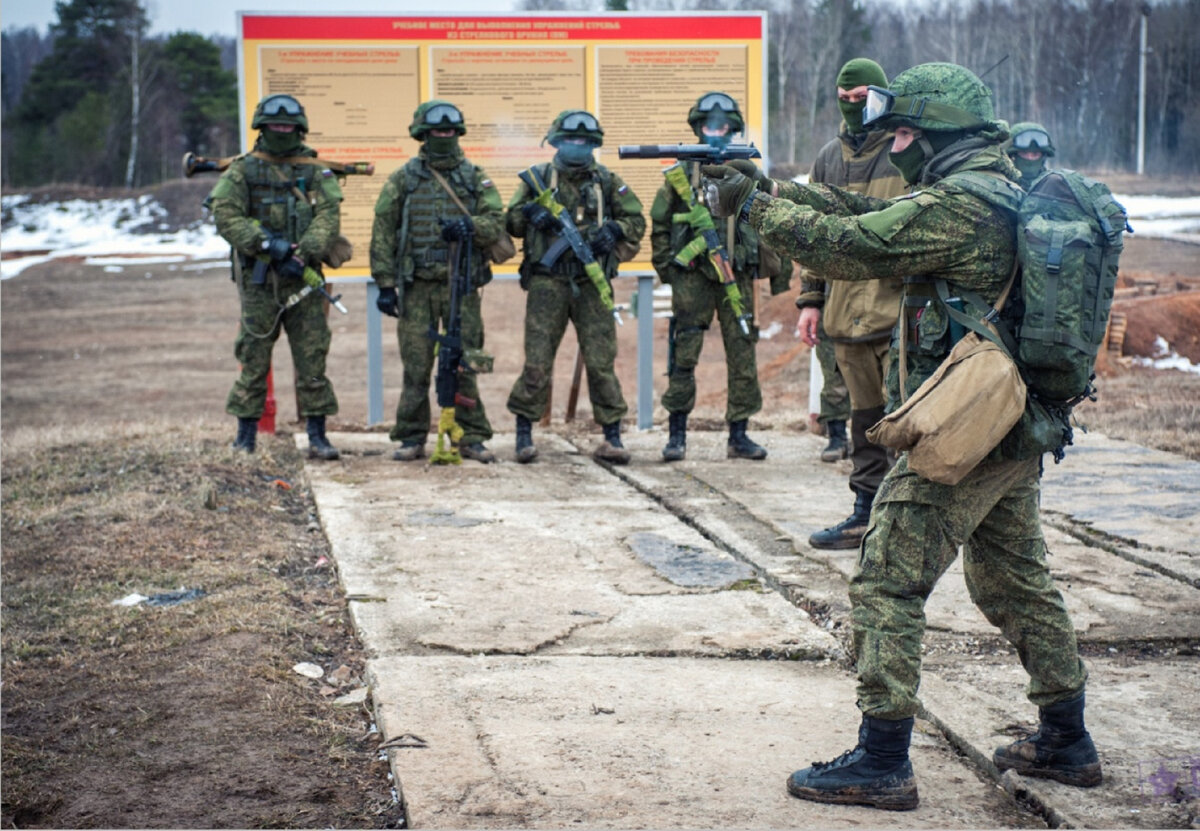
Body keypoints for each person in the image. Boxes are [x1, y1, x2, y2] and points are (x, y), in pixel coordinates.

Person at [702, 62, 1100, 810]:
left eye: (909, 131)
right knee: (1014, 579)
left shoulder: (961, 204)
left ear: (942, 132)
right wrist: (781, 189)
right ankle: (1067, 738)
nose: (899, 144)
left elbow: (855, 248)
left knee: (886, 573)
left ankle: (882, 758)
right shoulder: (992, 187)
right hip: (1012, 419)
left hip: (970, 424)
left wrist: (755, 206)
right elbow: (862, 215)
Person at [795, 58, 908, 549]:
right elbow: (813, 235)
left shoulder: (905, 152)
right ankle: (864, 513)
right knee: (864, 424)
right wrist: (810, 300)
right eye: (845, 99)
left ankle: (907, 522)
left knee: (904, 420)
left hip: (898, 312)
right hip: (845, 316)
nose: (853, 108)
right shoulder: (827, 158)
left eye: (863, 99)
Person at [505, 110, 645, 464]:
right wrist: (532, 213)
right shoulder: (538, 178)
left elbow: (636, 220)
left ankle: (612, 436)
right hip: (547, 283)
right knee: (537, 360)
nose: (577, 146)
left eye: (584, 141)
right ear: (556, 142)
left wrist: (613, 230)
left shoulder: (607, 181)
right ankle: (524, 433)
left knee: (601, 362)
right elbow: (510, 221)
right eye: (570, 140)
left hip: (592, 282)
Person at [369, 100, 505, 464]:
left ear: (457, 133)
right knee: (415, 367)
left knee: (466, 363)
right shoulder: (405, 178)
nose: (443, 136)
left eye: (448, 131)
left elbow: (496, 219)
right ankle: (411, 437)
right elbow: (383, 229)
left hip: (461, 287)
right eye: (436, 131)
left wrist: (470, 226)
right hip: (417, 288)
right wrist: (385, 283)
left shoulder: (475, 176)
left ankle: (471, 436)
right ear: (422, 135)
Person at [208, 93, 343, 461]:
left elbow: (329, 215)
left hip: (305, 277)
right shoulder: (243, 170)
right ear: (261, 128)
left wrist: (304, 252)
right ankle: (245, 436)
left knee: (313, 356)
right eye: (275, 125)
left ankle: (317, 434)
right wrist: (269, 245)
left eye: (287, 125)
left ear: (299, 128)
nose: (282, 131)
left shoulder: (314, 169)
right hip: (259, 281)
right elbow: (226, 216)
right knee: (253, 356)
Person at [651, 91, 780, 462]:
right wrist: (670, 271)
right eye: (709, 125)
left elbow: (771, 217)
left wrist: (768, 271)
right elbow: (660, 225)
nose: (716, 131)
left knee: (742, 351)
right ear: (697, 127)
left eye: (723, 126)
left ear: (733, 128)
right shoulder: (681, 174)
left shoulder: (745, 170)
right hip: (692, 278)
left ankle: (739, 434)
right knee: (684, 353)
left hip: (735, 275)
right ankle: (677, 435)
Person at [1004, 121, 1055, 187]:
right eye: (1024, 153)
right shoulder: (999, 183)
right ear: (1012, 156)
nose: (1030, 158)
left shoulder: (1052, 185)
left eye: (1035, 154)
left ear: (1043, 157)